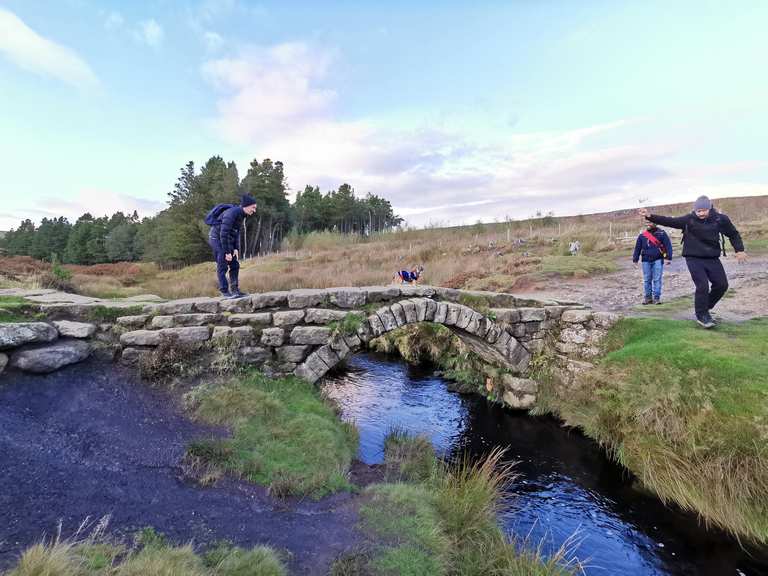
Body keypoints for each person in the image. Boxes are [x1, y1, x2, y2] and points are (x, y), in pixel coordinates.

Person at [638, 196, 746, 328]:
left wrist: (739, 249)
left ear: (710, 208)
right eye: (698, 211)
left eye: (703, 210)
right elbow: (670, 221)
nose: (700, 213)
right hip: (693, 257)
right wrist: (650, 216)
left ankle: (705, 306)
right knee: (702, 286)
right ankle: (702, 316)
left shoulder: (720, 219)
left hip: (712, 257)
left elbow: (733, 234)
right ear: (694, 210)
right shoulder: (689, 219)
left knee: (722, 285)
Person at [206, 194, 258, 298]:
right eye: (253, 208)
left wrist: (235, 249)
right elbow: (223, 234)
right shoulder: (231, 214)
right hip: (216, 238)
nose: (254, 210)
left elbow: (236, 233)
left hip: (226, 239)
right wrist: (227, 252)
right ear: (246, 206)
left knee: (235, 265)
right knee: (223, 264)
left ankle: (235, 291)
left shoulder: (242, 214)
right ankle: (224, 291)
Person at [632, 223, 673, 304]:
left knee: (657, 279)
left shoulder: (662, 233)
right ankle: (648, 298)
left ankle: (656, 298)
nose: (648, 225)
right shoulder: (642, 235)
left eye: (650, 223)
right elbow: (637, 248)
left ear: (655, 223)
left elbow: (668, 246)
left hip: (658, 259)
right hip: (645, 260)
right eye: (647, 223)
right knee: (647, 280)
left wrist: (668, 257)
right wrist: (635, 260)